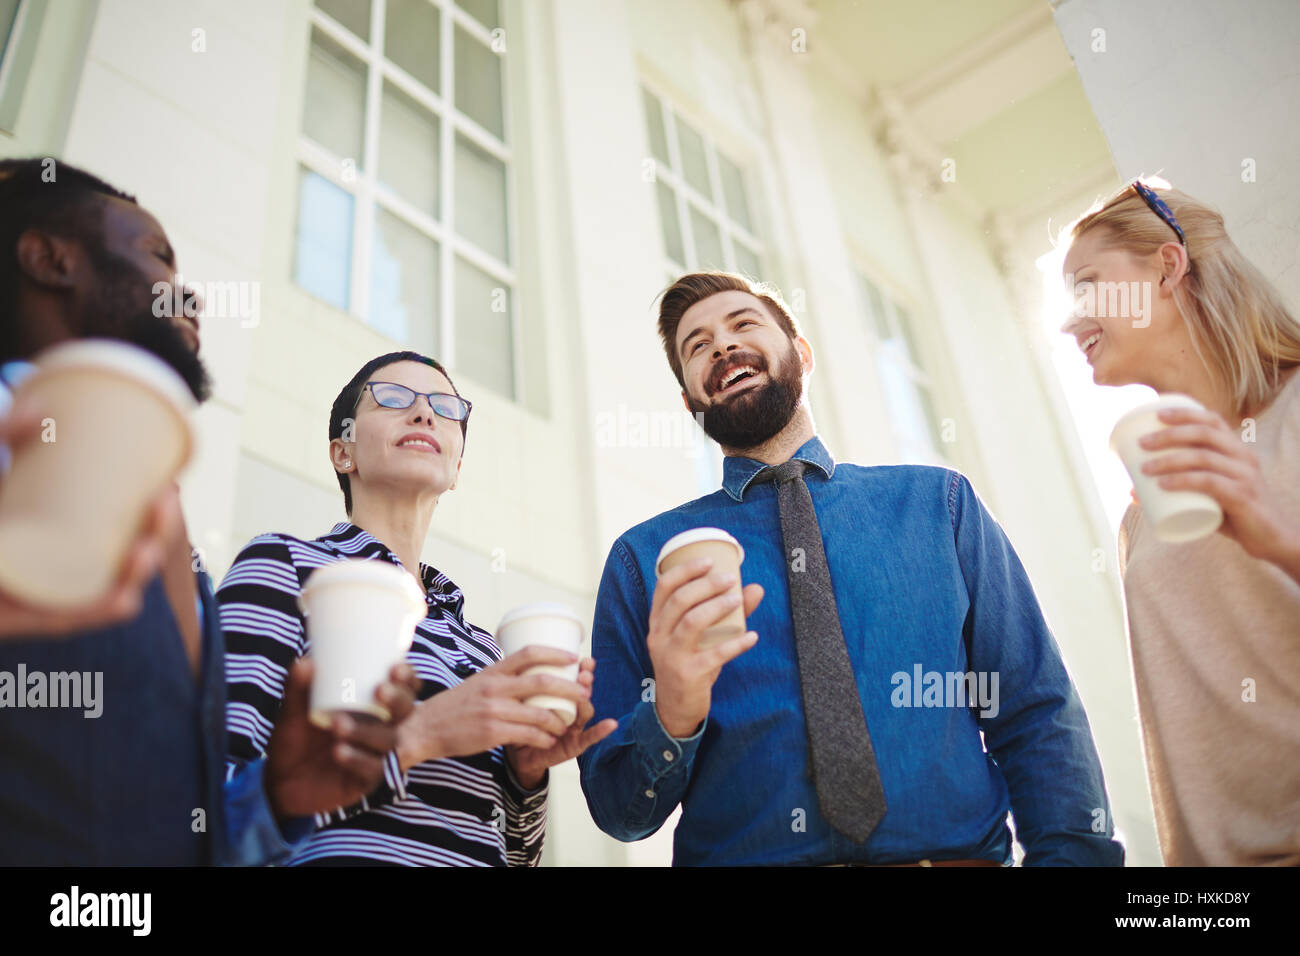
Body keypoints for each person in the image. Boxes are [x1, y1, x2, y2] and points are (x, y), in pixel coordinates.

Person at [578, 271, 1125, 866]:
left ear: (801, 354)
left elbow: (1033, 706)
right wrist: (673, 712)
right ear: (690, 402)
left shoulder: (939, 506)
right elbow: (619, 811)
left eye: (743, 324)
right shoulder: (645, 561)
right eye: (698, 345)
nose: (722, 347)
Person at [0, 158, 419, 865]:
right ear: (51, 258)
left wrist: (277, 797)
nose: (186, 292)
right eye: (157, 256)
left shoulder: (168, 532)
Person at [221, 351, 617, 865]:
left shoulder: (485, 647)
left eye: (445, 408)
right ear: (344, 452)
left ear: (456, 470)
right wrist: (421, 734)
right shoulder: (286, 566)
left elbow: (515, 856)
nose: (424, 414)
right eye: (391, 398)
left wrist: (526, 774)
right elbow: (207, 803)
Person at [1060, 179, 1300, 865]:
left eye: (1088, 287)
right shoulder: (1148, 507)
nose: (1070, 323)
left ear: (1167, 267)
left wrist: (1273, 533)